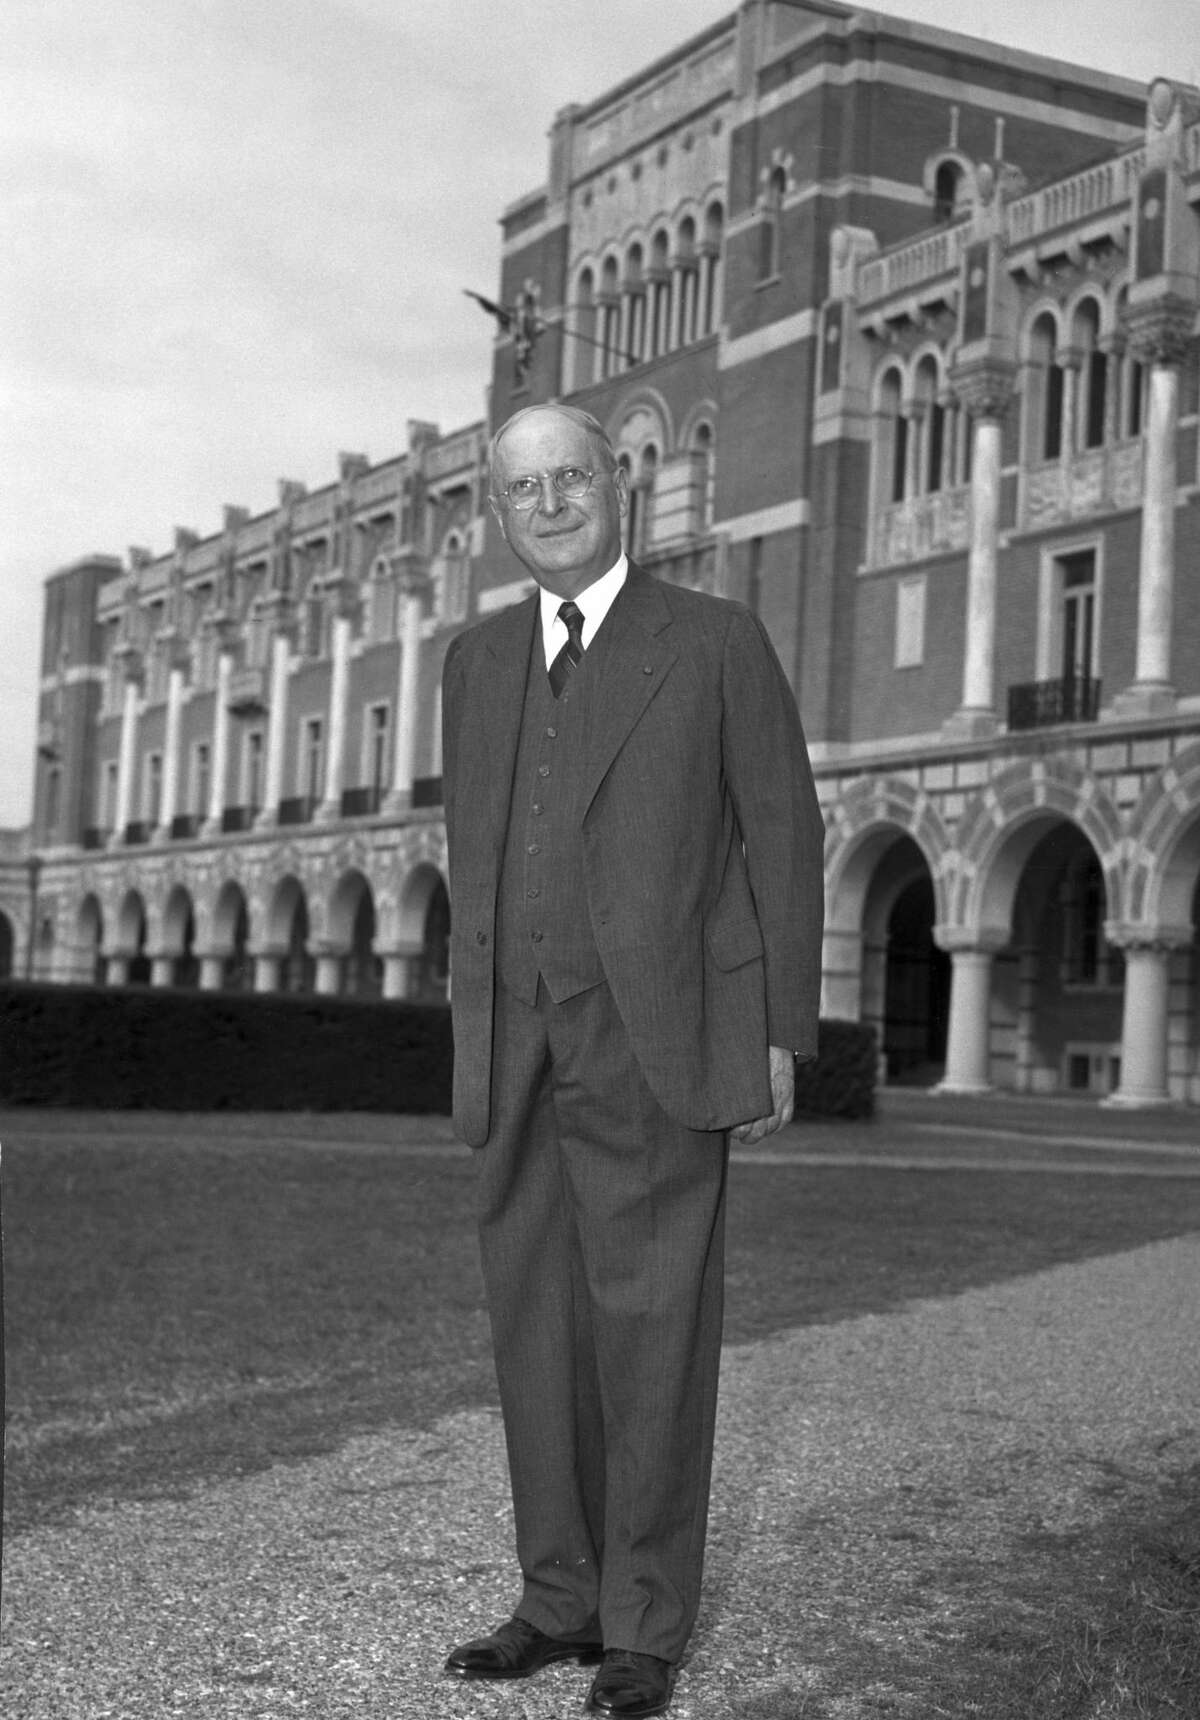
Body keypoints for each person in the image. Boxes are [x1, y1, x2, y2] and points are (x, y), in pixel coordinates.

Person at [440, 403, 824, 1718]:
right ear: (499, 511)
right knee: (537, 1326)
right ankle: (559, 1599)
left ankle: (643, 1626)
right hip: (514, 1040)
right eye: (521, 487)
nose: (549, 502)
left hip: (660, 1036)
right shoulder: (473, 659)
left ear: (621, 484)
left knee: (652, 1330)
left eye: (572, 477)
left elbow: (784, 833)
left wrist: (781, 1030)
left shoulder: (714, 642)